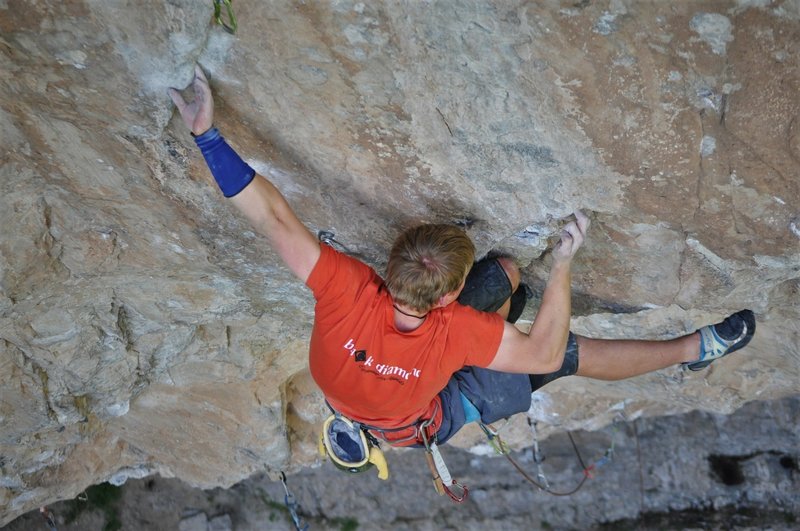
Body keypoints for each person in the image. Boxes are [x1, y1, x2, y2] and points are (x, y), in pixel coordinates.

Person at [168, 66, 756, 450]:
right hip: (427, 414)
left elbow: (271, 216)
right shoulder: (455, 334)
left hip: (365, 389)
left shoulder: (345, 289)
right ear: (449, 297)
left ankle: (491, 320)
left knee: (507, 277)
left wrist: (207, 137)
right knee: (565, 357)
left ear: (389, 267)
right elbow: (545, 352)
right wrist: (564, 264)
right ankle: (694, 350)